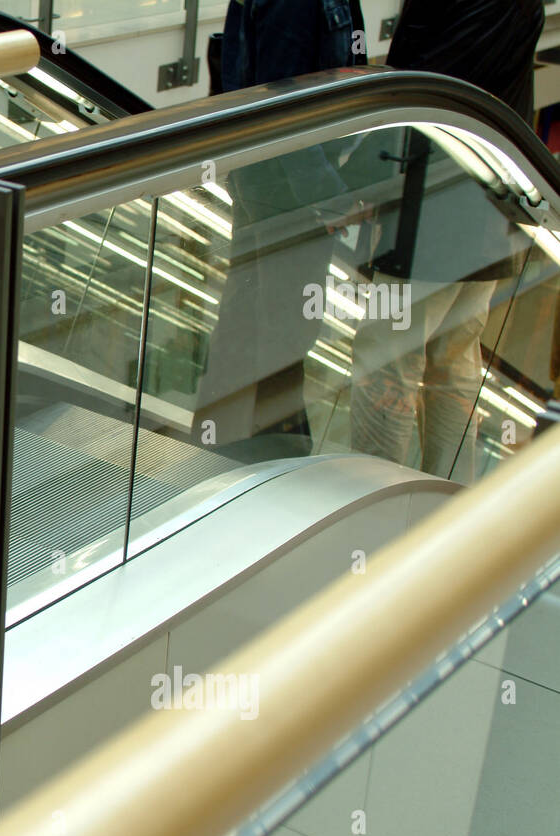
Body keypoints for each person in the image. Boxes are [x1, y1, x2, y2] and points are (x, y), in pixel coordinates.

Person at [346, 0, 544, 481]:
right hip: (492, 207)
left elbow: (411, 91)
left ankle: (372, 498)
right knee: (454, 361)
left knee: (386, 362)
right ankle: (451, 495)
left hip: (424, 215)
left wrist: (360, 181)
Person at [198, 0, 367, 461]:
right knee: (280, 327)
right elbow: (285, 106)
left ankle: (236, 445)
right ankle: (262, 453)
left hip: (277, 182)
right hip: (284, 189)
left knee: (262, 321)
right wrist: (328, 197)